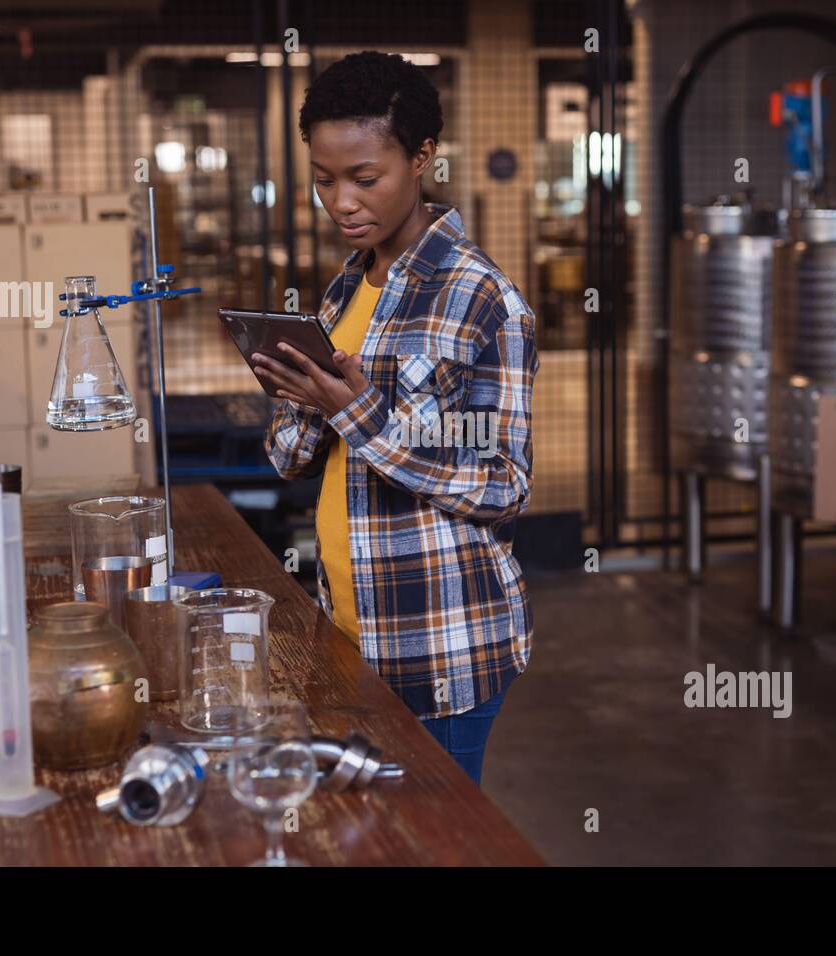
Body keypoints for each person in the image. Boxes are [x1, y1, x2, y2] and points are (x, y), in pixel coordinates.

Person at [258, 51, 538, 786]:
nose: (341, 201)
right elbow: (287, 459)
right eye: (323, 179)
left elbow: (503, 484)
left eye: (364, 178)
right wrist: (299, 393)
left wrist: (358, 412)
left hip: (440, 639)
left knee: (435, 841)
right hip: (348, 626)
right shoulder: (346, 290)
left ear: (421, 158)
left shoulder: (482, 300)